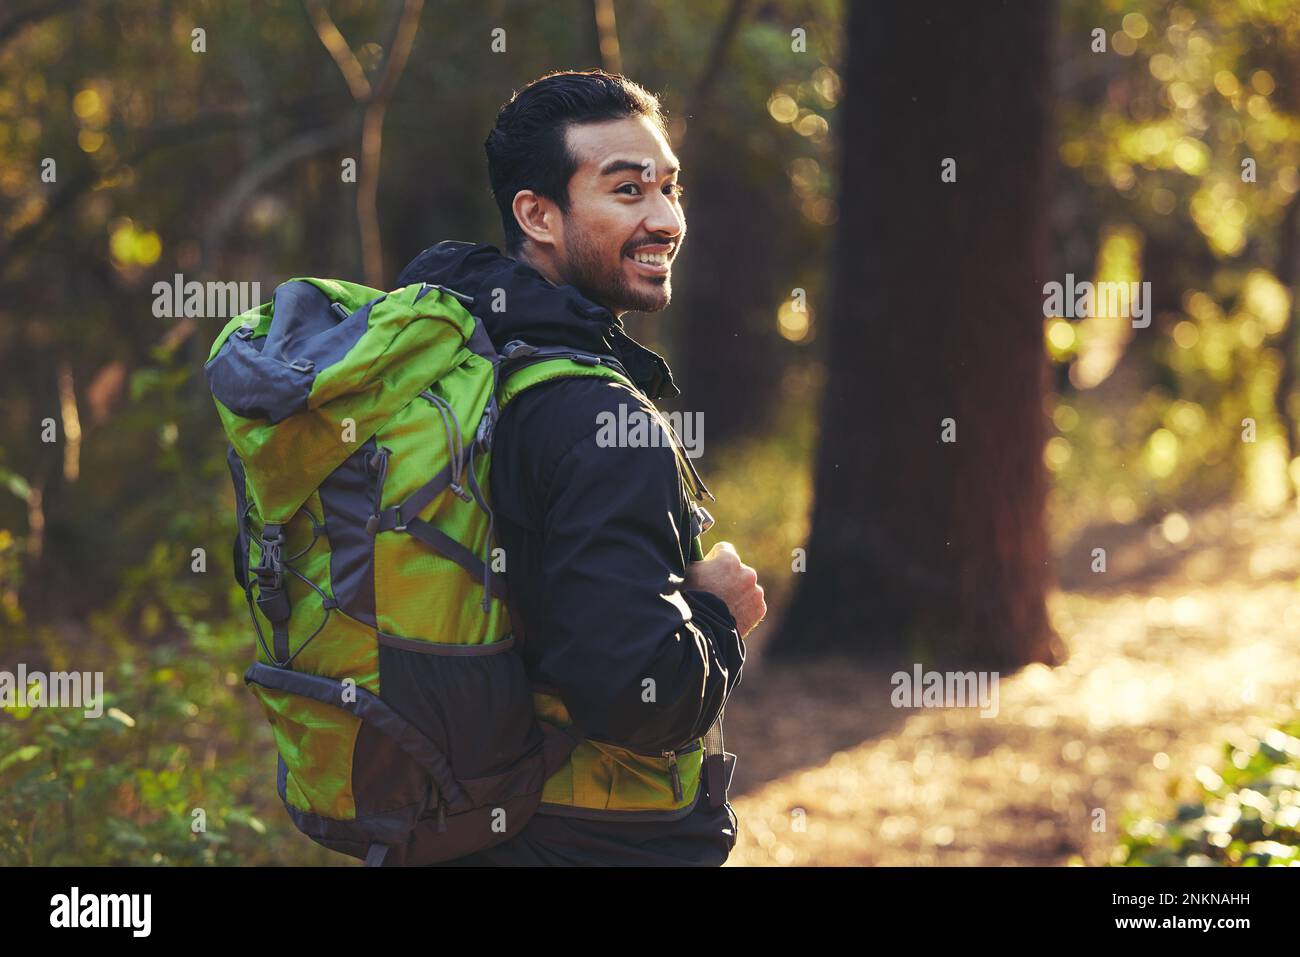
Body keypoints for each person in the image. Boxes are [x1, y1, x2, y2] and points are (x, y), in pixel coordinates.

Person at [395, 70, 766, 866]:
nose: (666, 219)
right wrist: (721, 618)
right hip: (587, 840)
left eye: (669, 188)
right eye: (627, 191)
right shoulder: (601, 418)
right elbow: (639, 697)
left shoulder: (453, 368)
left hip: (450, 824)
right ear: (538, 214)